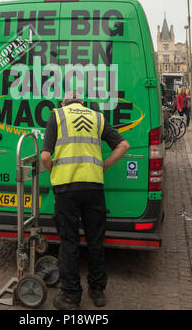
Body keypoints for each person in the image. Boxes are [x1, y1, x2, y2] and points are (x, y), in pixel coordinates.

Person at [41, 91, 130, 310]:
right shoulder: (97, 117)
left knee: (69, 242)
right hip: (93, 186)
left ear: (63, 103)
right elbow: (123, 145)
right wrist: (103, 166)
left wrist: (55, 173)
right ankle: (97, 291)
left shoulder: (57, 115)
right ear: (83, 102)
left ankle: (71, 296)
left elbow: (44, 156)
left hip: (66, 188)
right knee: (95, 240)